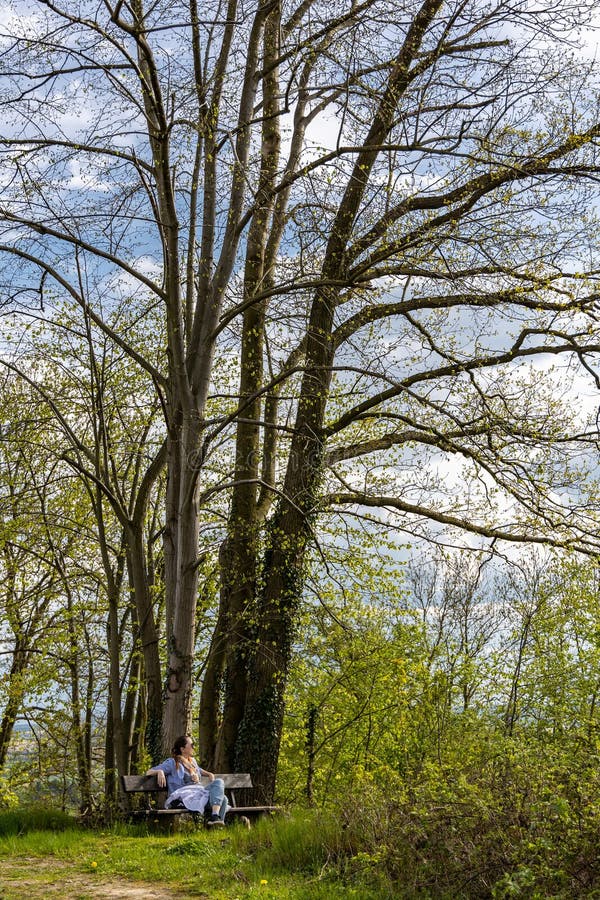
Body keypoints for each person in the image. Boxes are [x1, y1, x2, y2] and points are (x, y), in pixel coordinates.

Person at [146, 735, 227, 826]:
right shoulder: (173, 763)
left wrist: (209, 774)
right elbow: (148, 772)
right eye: (192, 745)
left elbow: (199, 770)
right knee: (221, 793)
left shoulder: (192, 762)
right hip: (184, 798)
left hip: (198, 794)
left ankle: (215, 821)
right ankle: (215, 819)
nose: (194, 747)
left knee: (223, 796)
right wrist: (159, 771)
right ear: (182, 749)